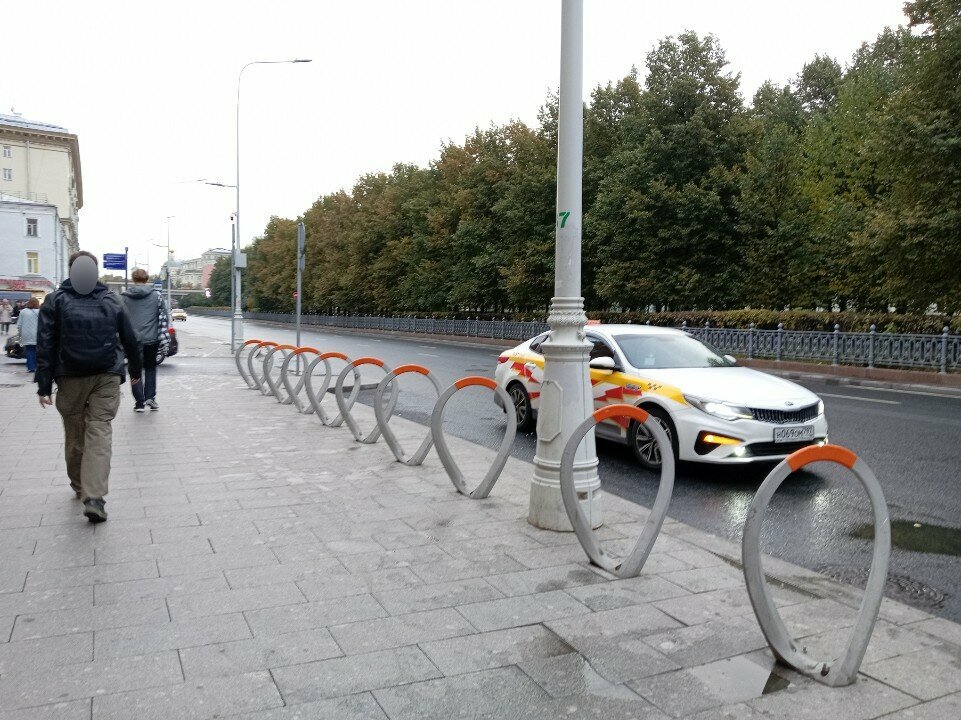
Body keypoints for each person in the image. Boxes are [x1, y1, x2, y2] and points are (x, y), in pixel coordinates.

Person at [35, 251, 142, 523]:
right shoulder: (113, 300)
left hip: (70, 376)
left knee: (75, 434)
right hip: (107, 374)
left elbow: (45, 344)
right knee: (99, 431)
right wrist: (135, 372)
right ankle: (94, 497)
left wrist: (44, 385)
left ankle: (80, 486)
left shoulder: (55, 301)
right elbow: (131, 339)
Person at [121, 268, 167, 412]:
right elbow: (164, 316)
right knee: (150, 368)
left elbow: (120, 318)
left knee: (134, 369)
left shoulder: (124, 297)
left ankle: (139, 403)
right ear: (147, 279)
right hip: (151, 339)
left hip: (132, 341)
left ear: (133, 279)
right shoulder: (156, 296)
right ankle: (150, 398)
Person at [16, 297, 40, 372]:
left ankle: (31, 367)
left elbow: (19, 325)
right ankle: (36, 366)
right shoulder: (40, 312)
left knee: (29, 350)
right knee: (37, 350)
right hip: (37, 334)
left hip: (26, 334)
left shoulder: (23, 312)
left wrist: (20, 334)